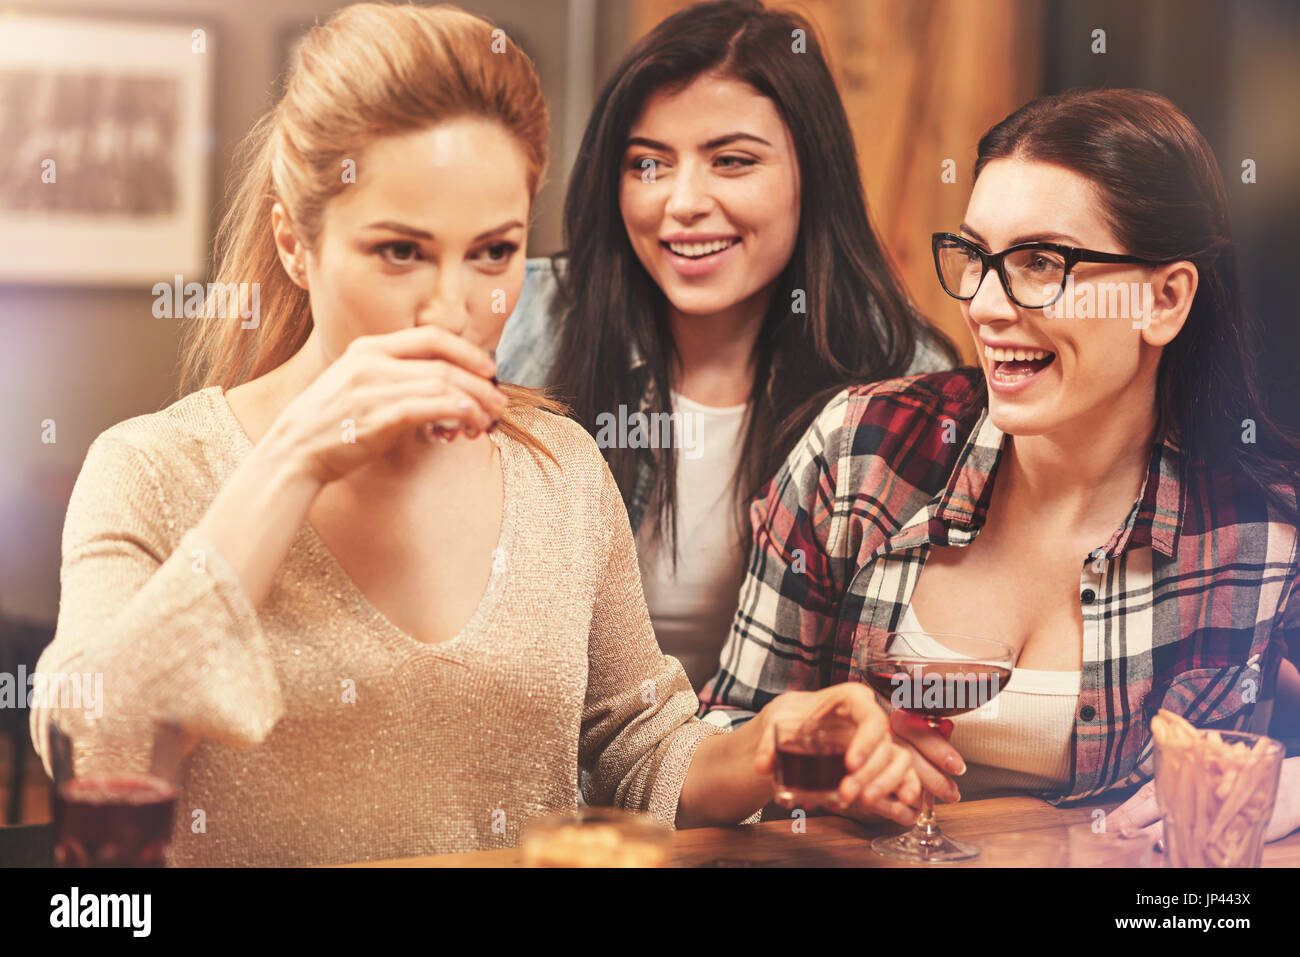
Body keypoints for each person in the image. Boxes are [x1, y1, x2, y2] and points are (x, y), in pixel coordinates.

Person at [28, 2, 923, 866]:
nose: (453, 310)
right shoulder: (151, 468)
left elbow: (640, 747)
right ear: (295, 246)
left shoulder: (561, 468)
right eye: (400, 252)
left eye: (492, 252)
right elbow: (97, 746)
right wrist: (294, 460)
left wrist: (763, 749)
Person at [698, 88, 1300, 841]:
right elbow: (709, 752)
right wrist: (816, 775)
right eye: (977, 257)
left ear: (1165, 299)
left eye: (1041, 262)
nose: (983, 304)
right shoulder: (860, 452)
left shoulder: (1264, 528)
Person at [494, 0, 957, 692]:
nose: (682, 201)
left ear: (812, 172)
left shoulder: (907, 379)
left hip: (775, 790)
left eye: (732, 161)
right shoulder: (520, 316)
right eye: (648, 165)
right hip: (556, 786)